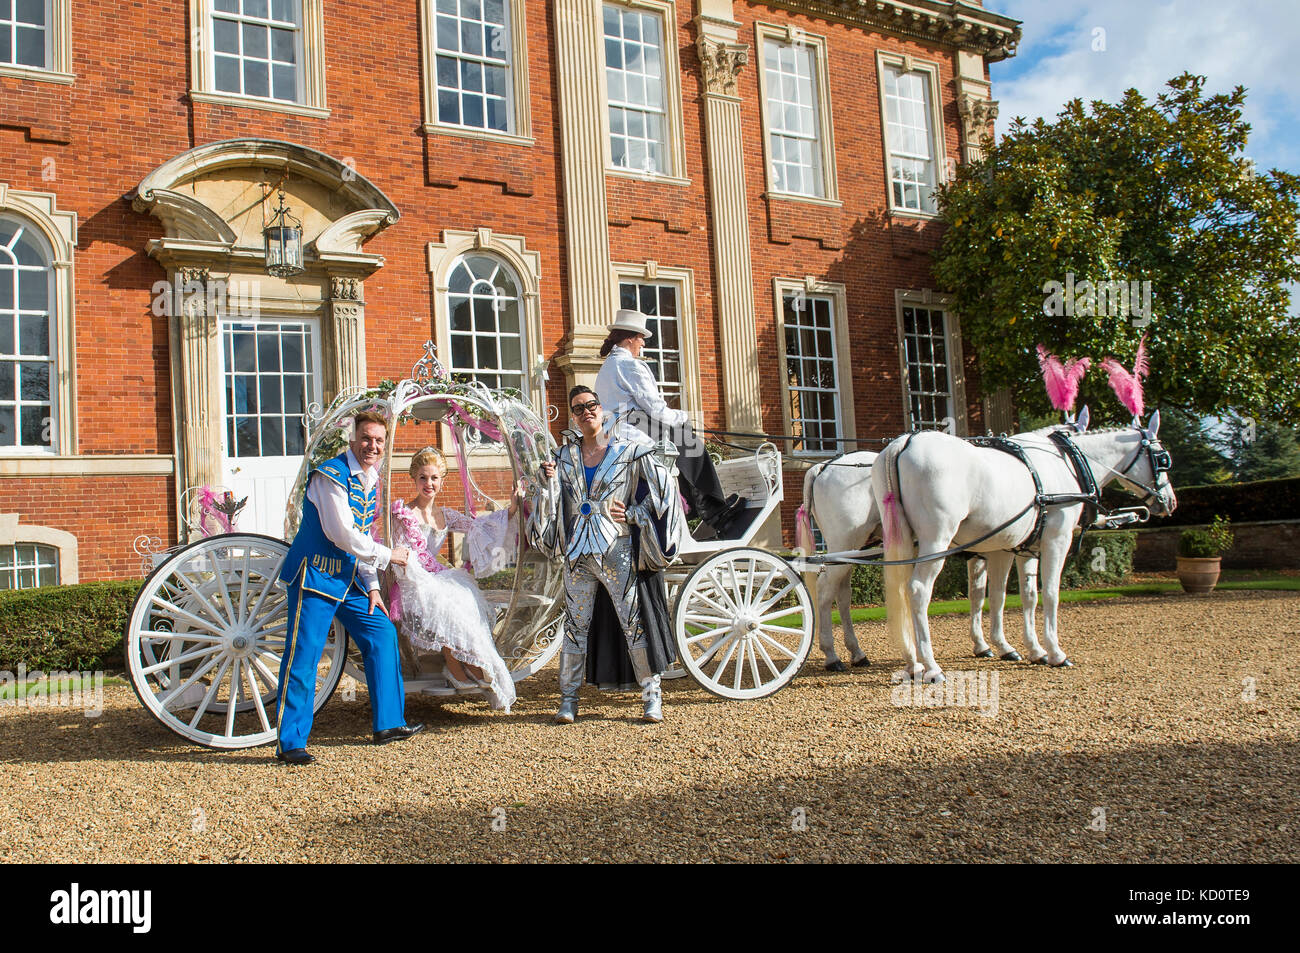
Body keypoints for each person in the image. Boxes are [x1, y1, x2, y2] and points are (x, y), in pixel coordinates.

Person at [275, 409, 424, 765]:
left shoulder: (371, 479)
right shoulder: (330, 475)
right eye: (366, 438)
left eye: (378, 440)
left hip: (348, 579)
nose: (371, 445)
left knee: (381, 633)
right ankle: (290, 742)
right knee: (305, 655)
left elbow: (361, 537)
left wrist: (372, 586)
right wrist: (390, 556)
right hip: (314, 575)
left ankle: (388, 723)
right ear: (353, 439)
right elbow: (339, 533)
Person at [529, 385, 685, 724]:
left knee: (633, 623)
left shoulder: (630, 451)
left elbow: (664, 489)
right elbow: (546, 494)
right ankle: (568, 700)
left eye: (592, 405)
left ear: (602, 411)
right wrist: (546, 480)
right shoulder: (563, 457)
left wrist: (633, 512)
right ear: (573, 415)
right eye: (579, 408)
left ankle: (651, 698)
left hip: (617, 551)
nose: (587, 411)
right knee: (575, 626)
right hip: (577, 553)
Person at [594, 308, 749, 539]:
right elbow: (656, 409)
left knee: (683, 446)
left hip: (615, 432)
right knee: (693, 446)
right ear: (629, 338)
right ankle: (716, 511)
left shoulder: (606, 367)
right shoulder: (630, 365)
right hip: (638, 427)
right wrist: (684, 417)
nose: (643, 345)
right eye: (641, 339)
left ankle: (695, 508)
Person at [386, 447, 520, 713]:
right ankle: (455, 663)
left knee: (464, 596)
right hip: (412, 579)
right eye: (423, 478)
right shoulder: (403, 513)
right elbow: (401, 556)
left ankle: (469, 662)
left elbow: (480, 526)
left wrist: (512, 508)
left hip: (437, 576)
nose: (429, 484)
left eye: (434, 478)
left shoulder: (445, 515)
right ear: (414, 478)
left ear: (441, 481)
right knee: (443, 599)